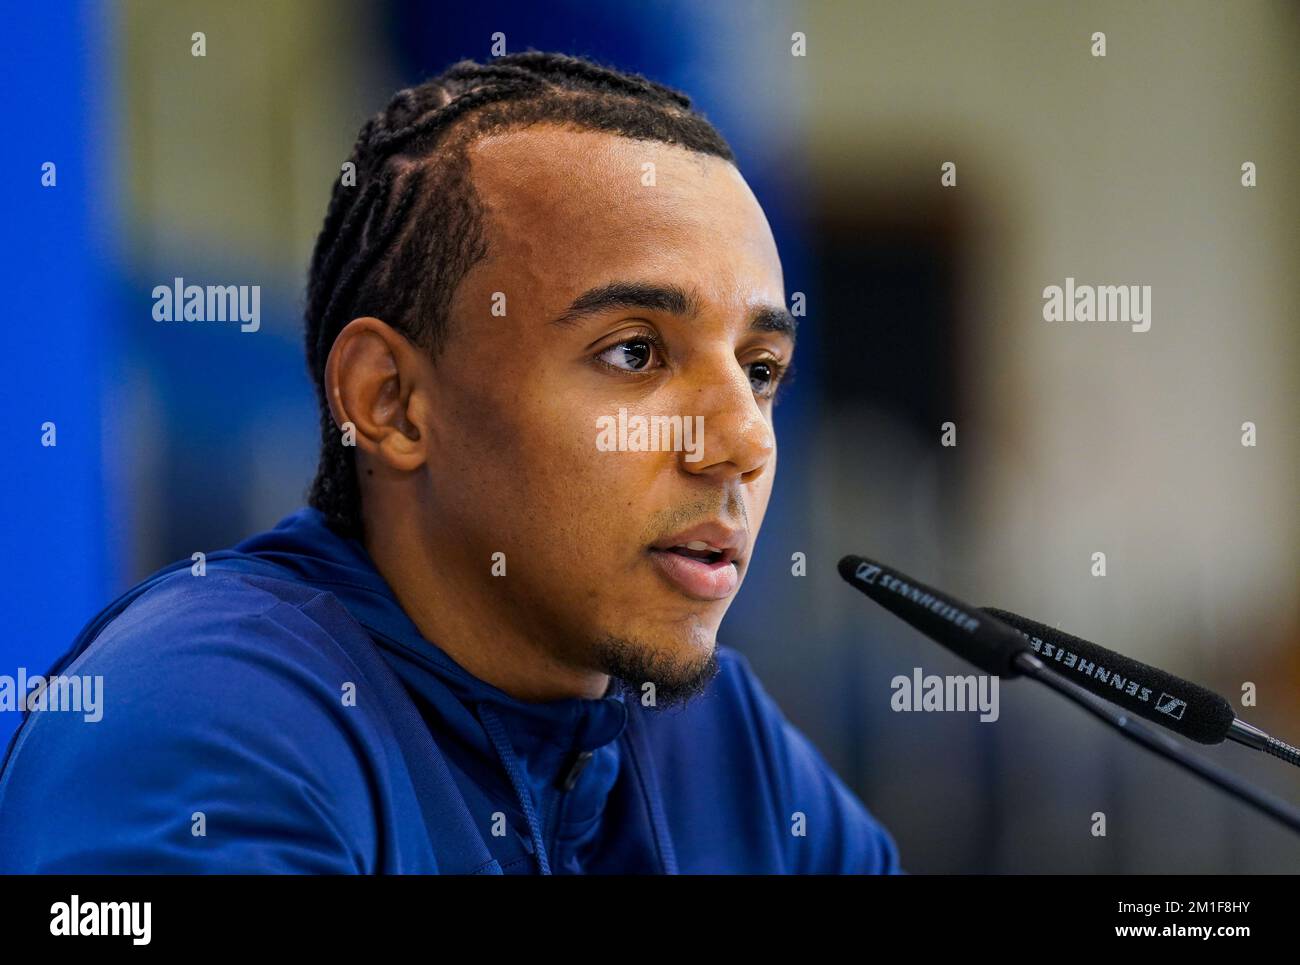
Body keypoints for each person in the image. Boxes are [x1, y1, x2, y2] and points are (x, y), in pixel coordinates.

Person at [0, 52, 899, 874]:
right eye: (634, 353)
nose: (742, 441)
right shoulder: (205, 716)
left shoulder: (720, 746)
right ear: (390, 401)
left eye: (761, 370)